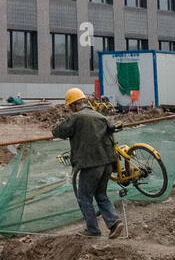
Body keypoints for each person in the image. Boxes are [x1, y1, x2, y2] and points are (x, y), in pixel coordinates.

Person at [52, 88, 123, 238]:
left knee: (84, 197)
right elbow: (111, 130)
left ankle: (93, 230)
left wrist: (56, 126)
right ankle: (115, 223)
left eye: (69, 107)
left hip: (91, 164)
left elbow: (59, 131)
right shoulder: (99, 116)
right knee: (101, 194)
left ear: (72, 105)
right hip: (108, 163)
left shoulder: (77, 117)